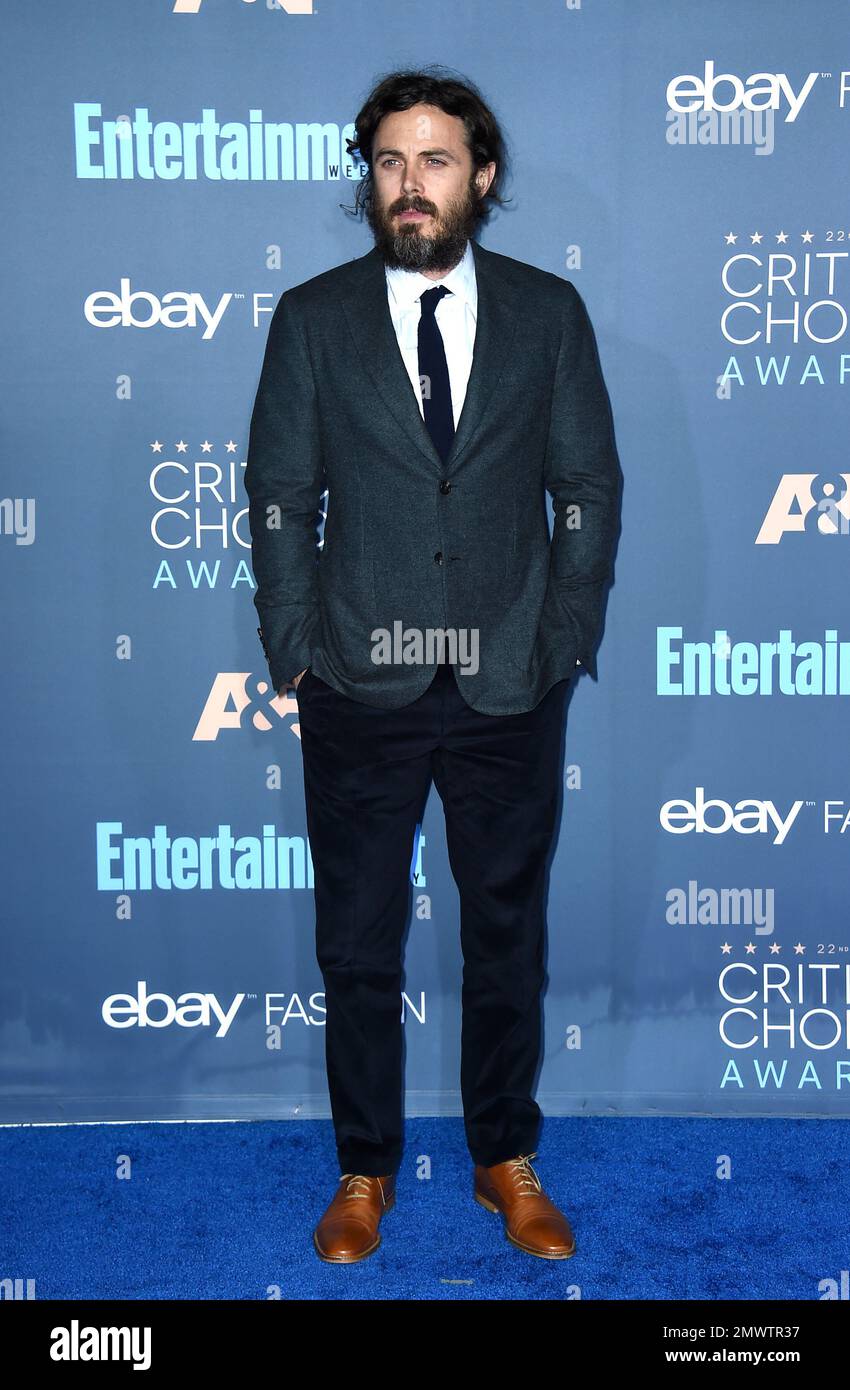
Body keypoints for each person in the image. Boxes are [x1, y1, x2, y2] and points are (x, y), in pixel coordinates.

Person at [244, 67, 621, 1264]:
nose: (411, 186)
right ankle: (363, 1170)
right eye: (391, 162)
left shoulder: (547, 314)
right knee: (357, 943)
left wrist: (564, 632)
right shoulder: (312, 317)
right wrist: (296, 648)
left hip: (512, 676)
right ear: (371, 177)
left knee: (502, 933)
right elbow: (279, 497)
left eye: (437, 160)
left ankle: (504, 1158)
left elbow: (588, 489)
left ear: (483, 176)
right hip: (361, 676)